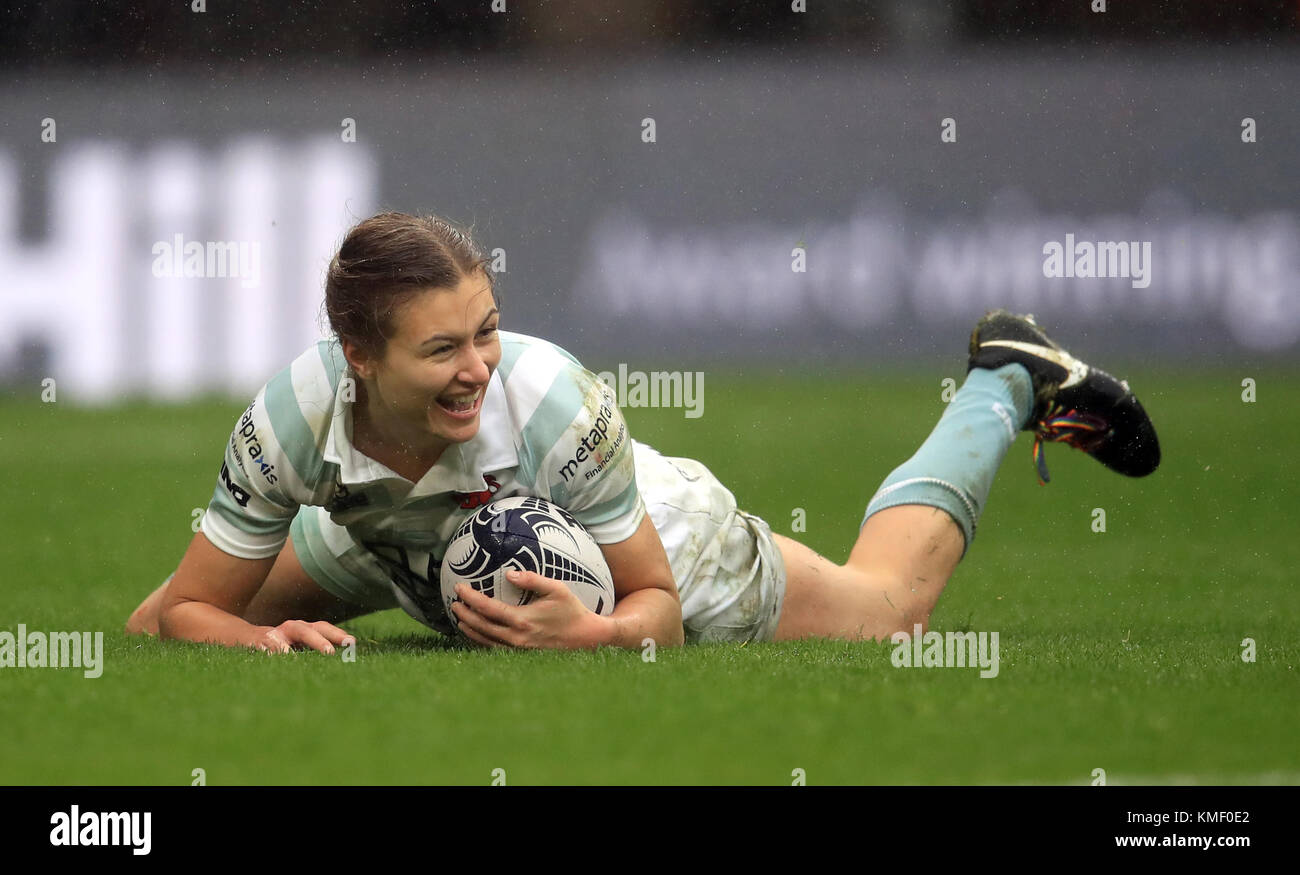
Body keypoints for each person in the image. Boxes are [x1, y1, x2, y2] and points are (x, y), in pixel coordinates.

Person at [126, 211, 1160, 653]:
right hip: (394, 534)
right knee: (149, 623)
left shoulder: (553, 404)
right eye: (441, 349)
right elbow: (183, 617)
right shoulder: (293, 421)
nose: (477, 366)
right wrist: (262, 639)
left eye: (485, 331)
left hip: (644, 539)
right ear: (359, 355)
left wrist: (601, 634)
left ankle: (1004, 382)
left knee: (890, 612)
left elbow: (657, 608)